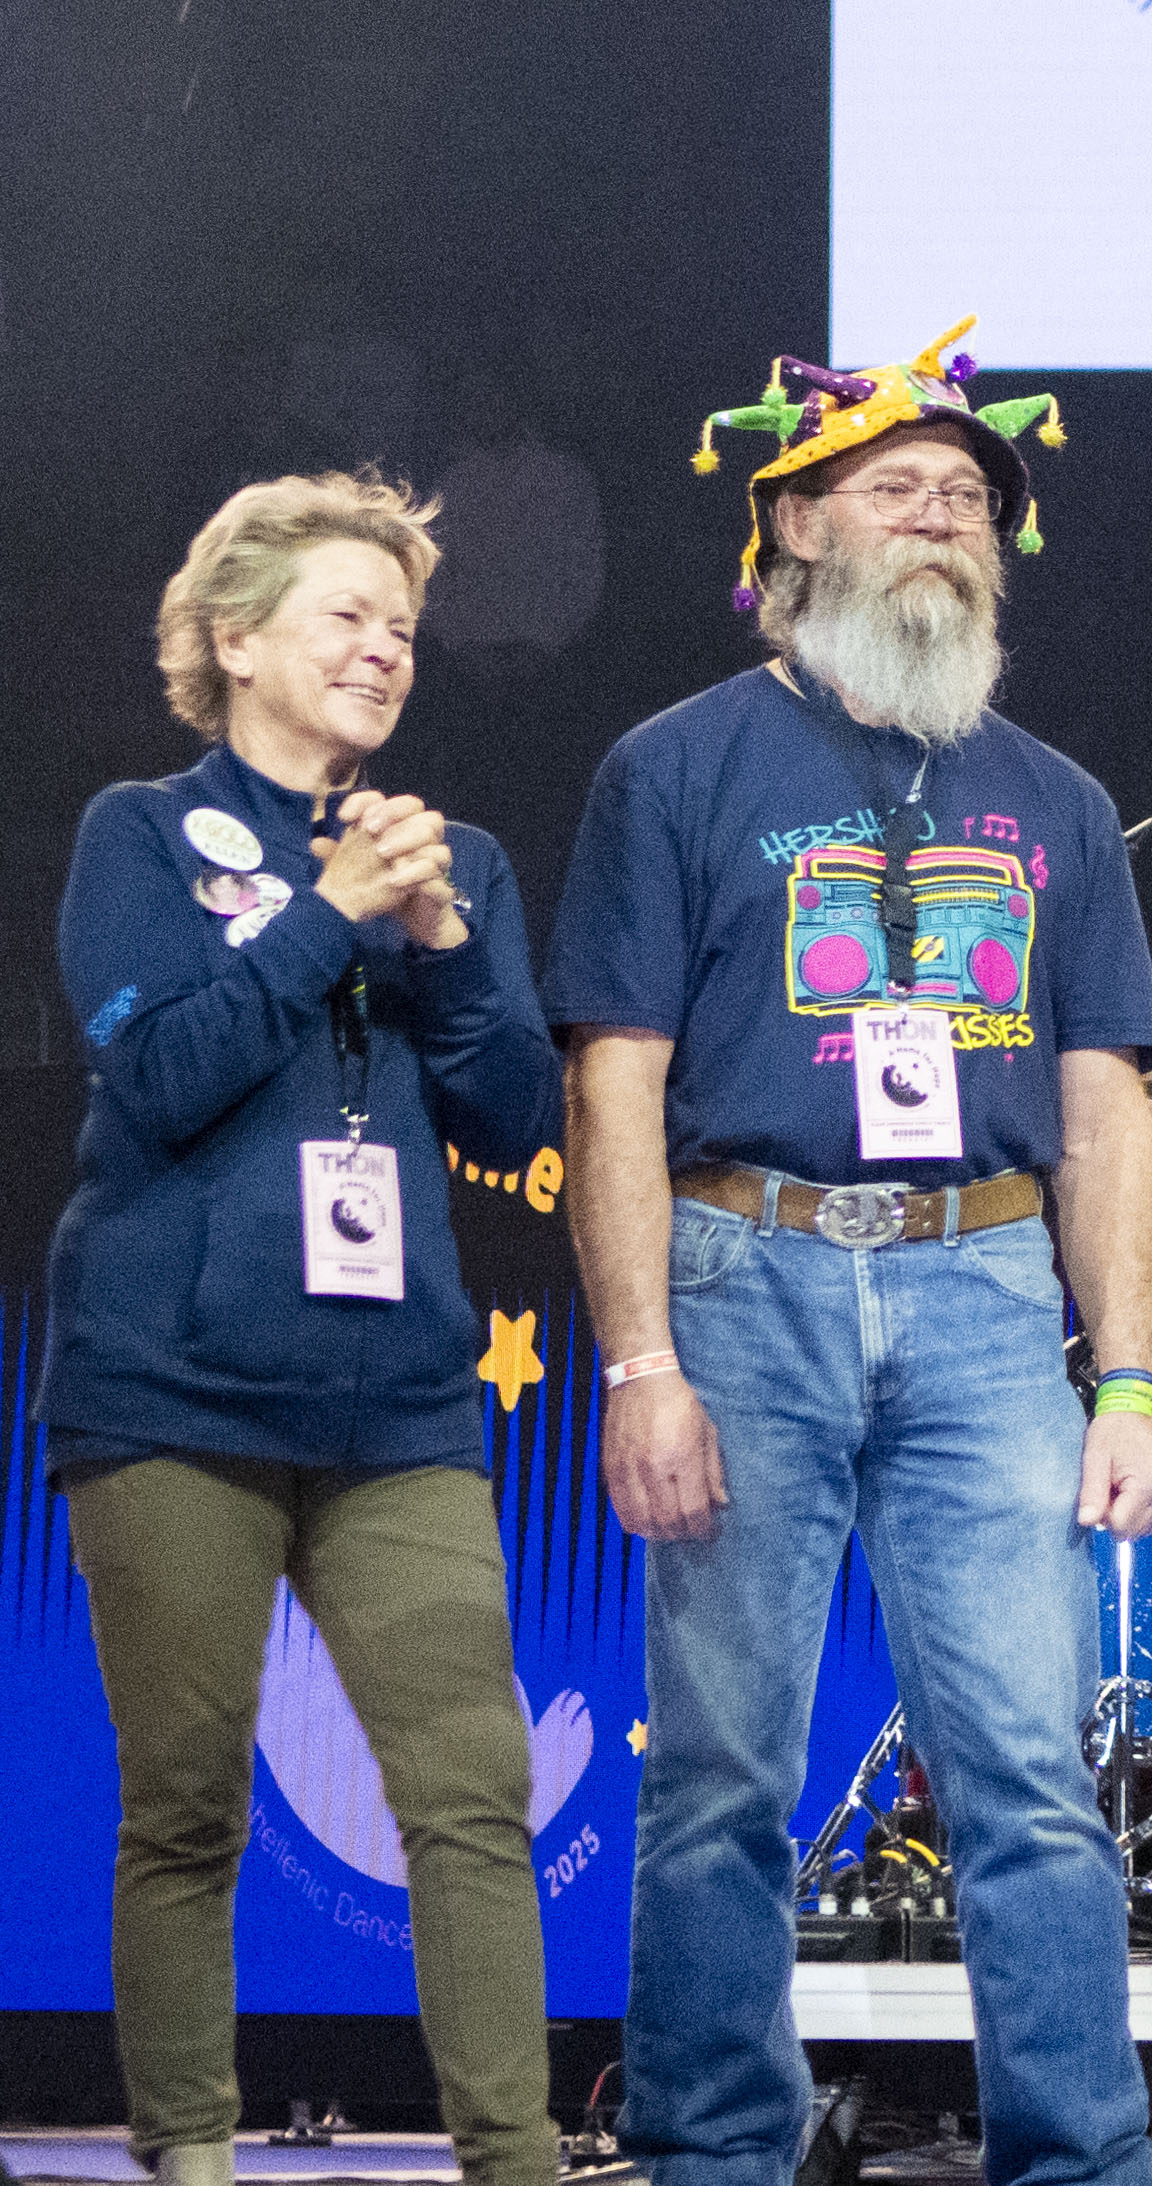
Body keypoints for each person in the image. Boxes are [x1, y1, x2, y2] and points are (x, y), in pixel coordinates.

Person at [543, 319, 1152, 2186]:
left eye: (969, 501)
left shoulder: (1054, 799)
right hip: (749, 1278)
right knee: (722, 1775)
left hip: (989, 1295)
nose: (939, 522)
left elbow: (1107, 1116)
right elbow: (616, 1087)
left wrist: (1127, 1376)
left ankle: (1083, 2158)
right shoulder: (674, 768)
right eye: (896, 489)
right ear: (795, 528)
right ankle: (715, 2152)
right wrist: (644, 1363)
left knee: (1033, 1785)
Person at [45, 471, 563, 2186]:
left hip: (399, 1403)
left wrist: (445, 939)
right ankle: (185, 2159)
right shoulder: (137, 830)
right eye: (345, 613)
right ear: (231, 638)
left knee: (473, 1791)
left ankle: (516, 2160)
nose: (382, 646)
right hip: (172, 1394)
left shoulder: (450, 851)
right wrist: (323, 919)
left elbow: (508, 1109)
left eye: (401, 625)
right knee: (184, 1806)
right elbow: (166, 1073)